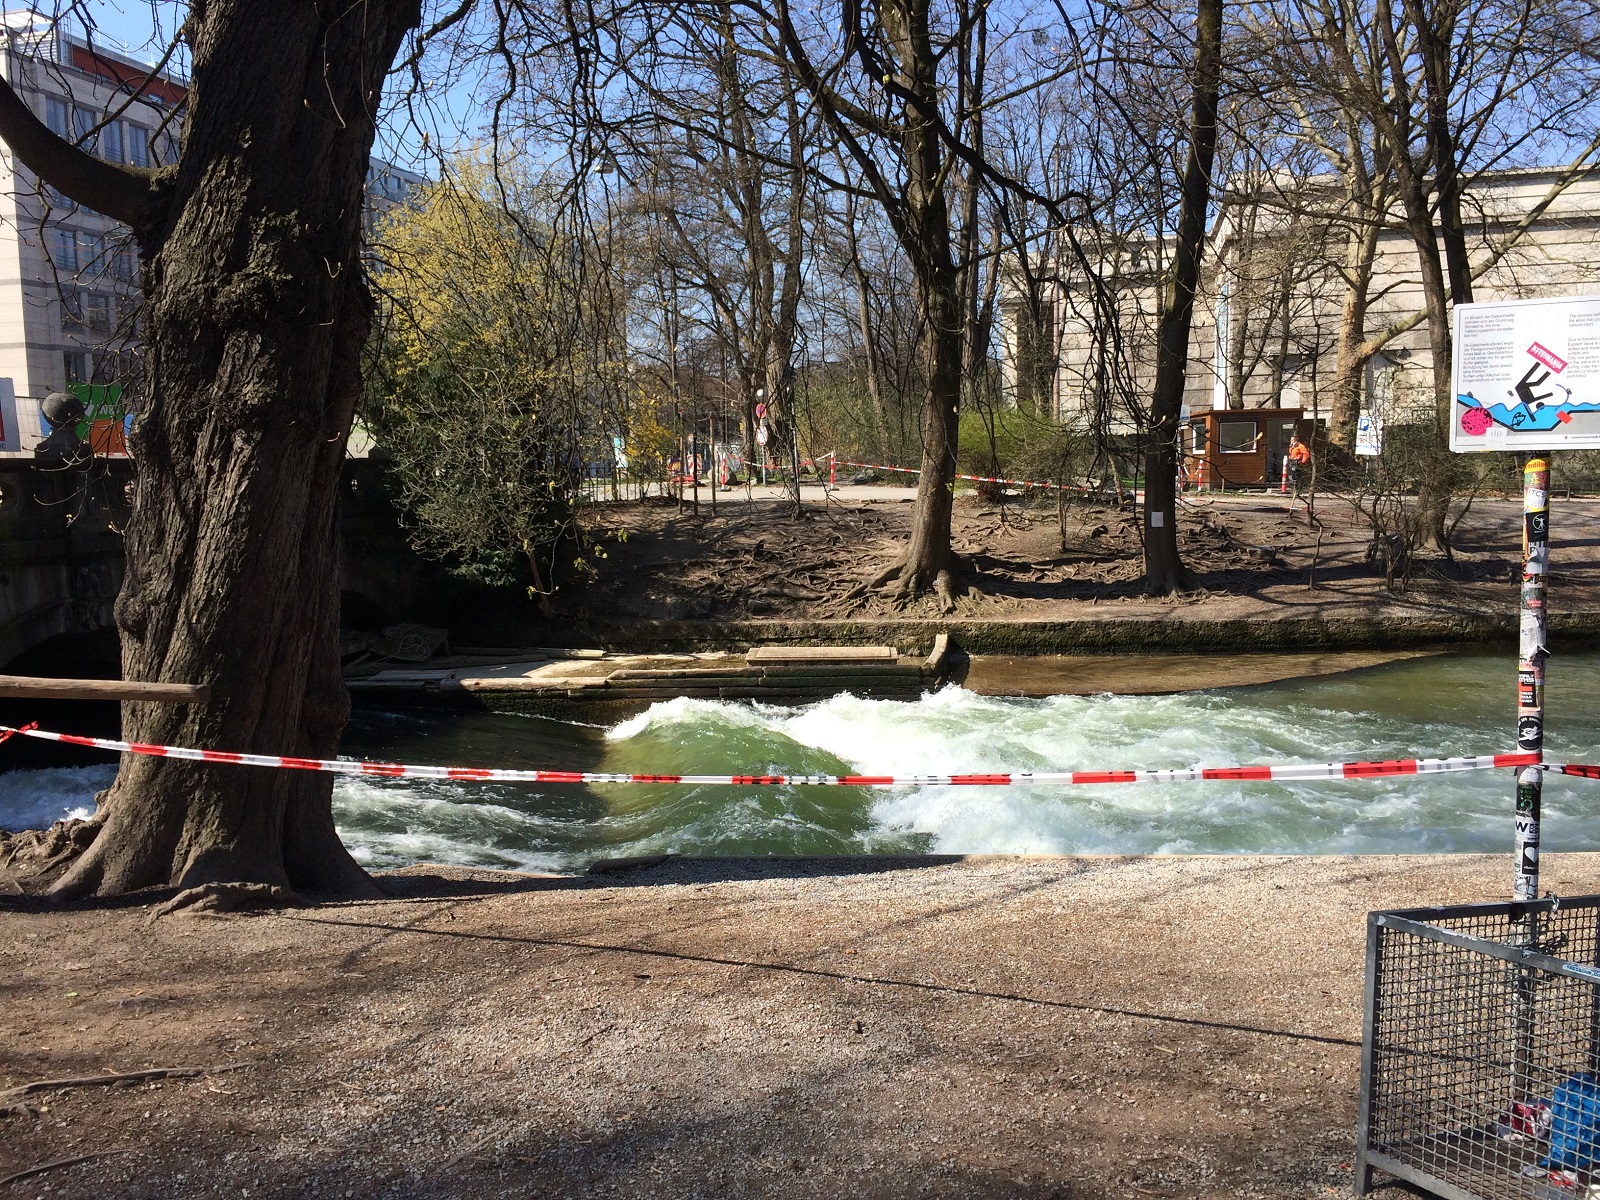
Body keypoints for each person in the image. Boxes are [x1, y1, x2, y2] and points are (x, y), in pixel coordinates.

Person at [1286, 432, 1311, 498]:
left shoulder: (1300, 446)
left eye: (1292, 440)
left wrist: (1303, 461)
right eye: (1290, 440)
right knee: (1293, 476)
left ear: (1296, 440)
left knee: (1297, 476)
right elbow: (1291, 453)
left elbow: (1306, 453)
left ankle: (1299, 490)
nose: (1291, 441)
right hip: (1292, 461)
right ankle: (1295, 490)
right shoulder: (1292, 446)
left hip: (1297, 462)